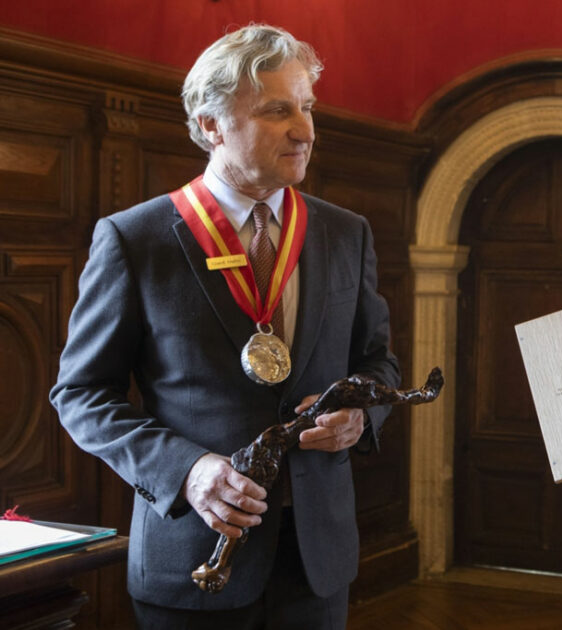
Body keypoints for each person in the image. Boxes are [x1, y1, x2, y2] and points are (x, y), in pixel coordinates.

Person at [50, 24, 400, 629]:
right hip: (193, 556)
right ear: (212, 125)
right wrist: (186, 471)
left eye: (308, 107)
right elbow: (81, 395)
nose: (305, 130)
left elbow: (379, 363)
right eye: (277, 111)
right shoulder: (135, 239)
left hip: (316, 558)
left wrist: (361, 416)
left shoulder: (347, 232)